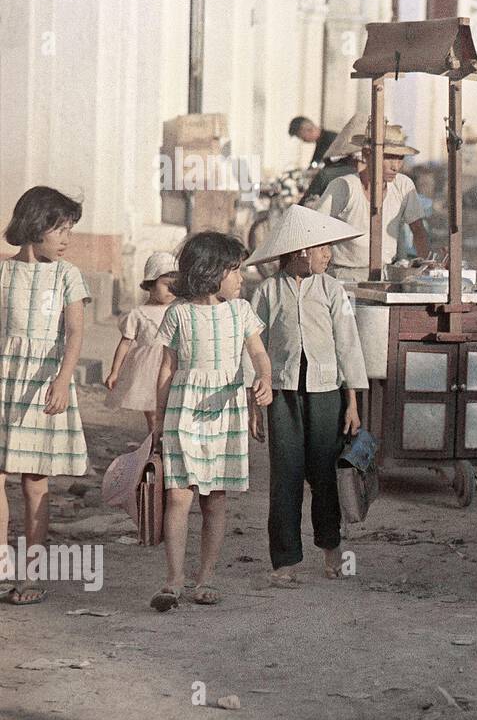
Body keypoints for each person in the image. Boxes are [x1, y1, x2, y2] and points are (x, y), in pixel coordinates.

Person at [150, 233, 273, 611]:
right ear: (210, 271)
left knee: (214, 499)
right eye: (235, 271)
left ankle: (205, 579)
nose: (241, 279)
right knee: (178, 496)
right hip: (183, 410)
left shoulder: (241, 312)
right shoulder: (179, 314)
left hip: (226, 411)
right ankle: (174, 579)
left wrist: (264, 380)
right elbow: (167, 370)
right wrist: (158, 421)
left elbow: (259, 355)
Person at [247, 207, 368, 586]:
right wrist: (254, 402)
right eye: (323, 248)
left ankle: (333, 552)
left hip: (326, 393)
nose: (328, 255)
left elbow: (348, 345)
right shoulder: (266, 291)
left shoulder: (332, 289)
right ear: (301, 251)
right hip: (281, 395)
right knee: (285, 476)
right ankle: (284, 562)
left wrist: (352, 402)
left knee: (324, 474)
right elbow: (254, 347)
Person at [0, 187, 90, 605]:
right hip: (5, 379)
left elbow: (75, 333)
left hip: (44, 383)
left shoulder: (67, 274)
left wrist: (62, 379)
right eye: (60, 229)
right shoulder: (2, 272)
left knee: (34, 481)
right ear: (35, 226)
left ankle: (32, 577)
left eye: (70, 229)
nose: (66, 238)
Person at [311, 120, 432, 281]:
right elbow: (315, 227)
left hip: (384, 274)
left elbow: (418, 229)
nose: (395, 166)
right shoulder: (344, 186)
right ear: (368, 154)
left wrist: (425, 267)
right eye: (389, 157)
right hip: (344, 275)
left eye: (400, 158)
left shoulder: (403, 185)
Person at [105, 252, 178, 437]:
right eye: (166, 286)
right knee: (153, 416)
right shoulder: (139, 313)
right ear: (150, 284)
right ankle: (154, 449)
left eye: (175, 287)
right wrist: (115, 371)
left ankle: (167, 450)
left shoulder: (178, 310)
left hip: (172, 367)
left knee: (172, 412)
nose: (171, 291)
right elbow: (125, 343)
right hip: (146, 372)